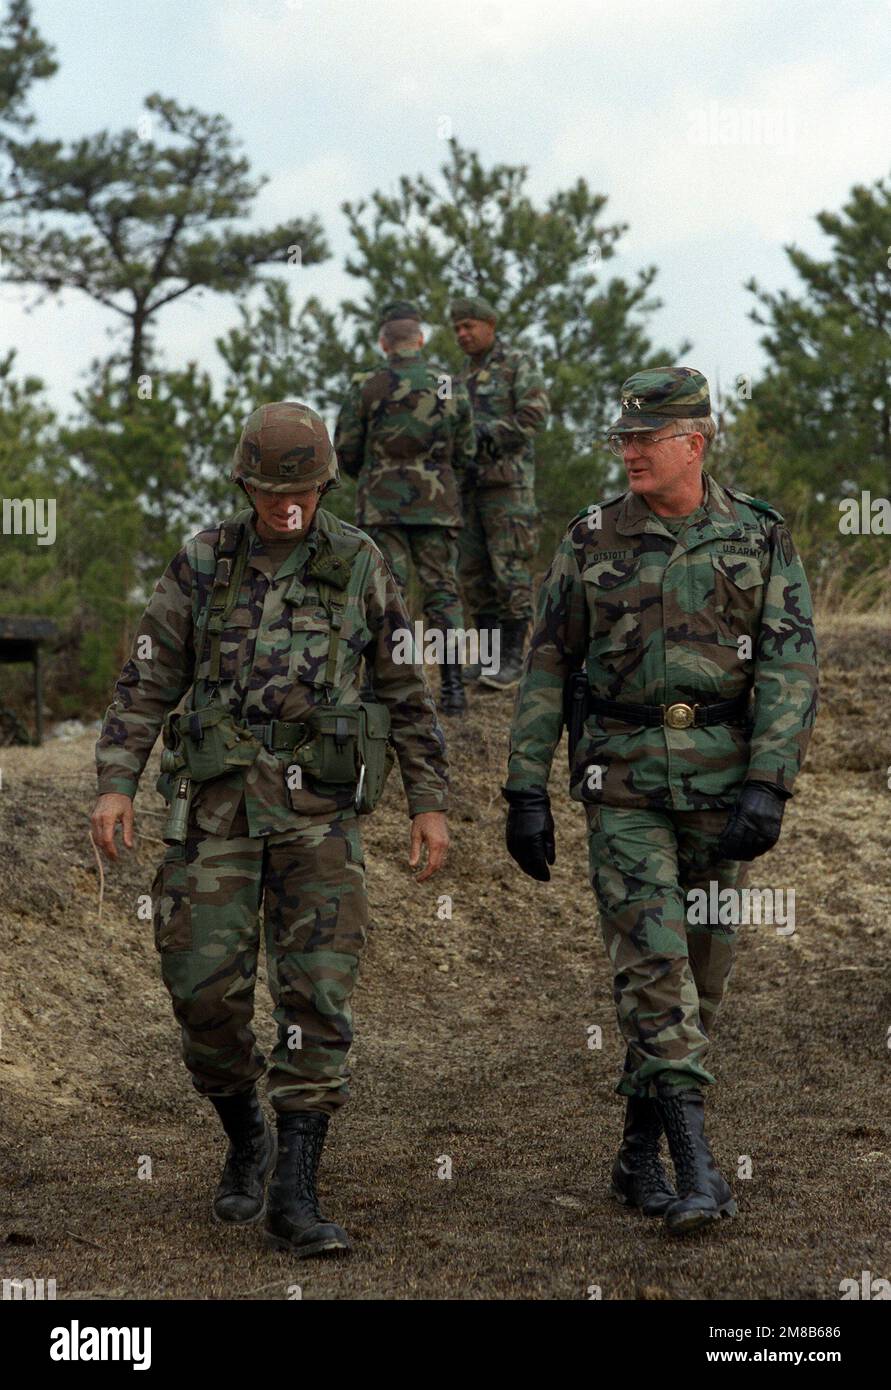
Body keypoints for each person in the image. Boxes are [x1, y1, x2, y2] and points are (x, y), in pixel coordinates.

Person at [90, 402, 450, 1258]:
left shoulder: (361, 562)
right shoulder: (204, 561)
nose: (286, 507)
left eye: (303, 490)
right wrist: (115, 783)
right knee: (202, 993)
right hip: (214, 811)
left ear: (326, 484)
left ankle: (296, 1187)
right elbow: (145, 681)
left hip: (320, 817)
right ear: (243, 484)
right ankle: (244, 1128)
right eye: (269, 491)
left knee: (315, 997)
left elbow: (404, 691)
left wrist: (429, 799)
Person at [502, 367, 818, 1234]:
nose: (631, 452)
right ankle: (698, 1171)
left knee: (700, 982)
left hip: (723, 785)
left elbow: (790, 665)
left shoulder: (756, 536)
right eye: (624, 440)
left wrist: (768, 780)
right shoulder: (591, 538)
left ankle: (637, 1152)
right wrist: (523, 785)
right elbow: (546, 663)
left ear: (696, 440)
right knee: (653, 967)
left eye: (647, 439)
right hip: (623, 782)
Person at [334, 301, 476, 716]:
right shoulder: (448, 383)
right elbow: (467, 448)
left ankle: (383, 688)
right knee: (442, 592)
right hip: (438, 504)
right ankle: (452, 689)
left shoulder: (368, 384)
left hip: (382, 506)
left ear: (383, 343)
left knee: (384, 593)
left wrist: (375, 475)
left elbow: (346, 449)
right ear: (421, 339)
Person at [451, 296, 549, 690]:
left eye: (469, 326)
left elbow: (533, 415)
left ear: (490, 326)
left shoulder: (517, 364)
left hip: (507, 488)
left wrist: (484, 436)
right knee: (474, 574)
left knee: (510, 571)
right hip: (468, 487)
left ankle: (514, 658)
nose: (462, 334)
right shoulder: (459, 377)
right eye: (457, 328)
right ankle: (489, 658)